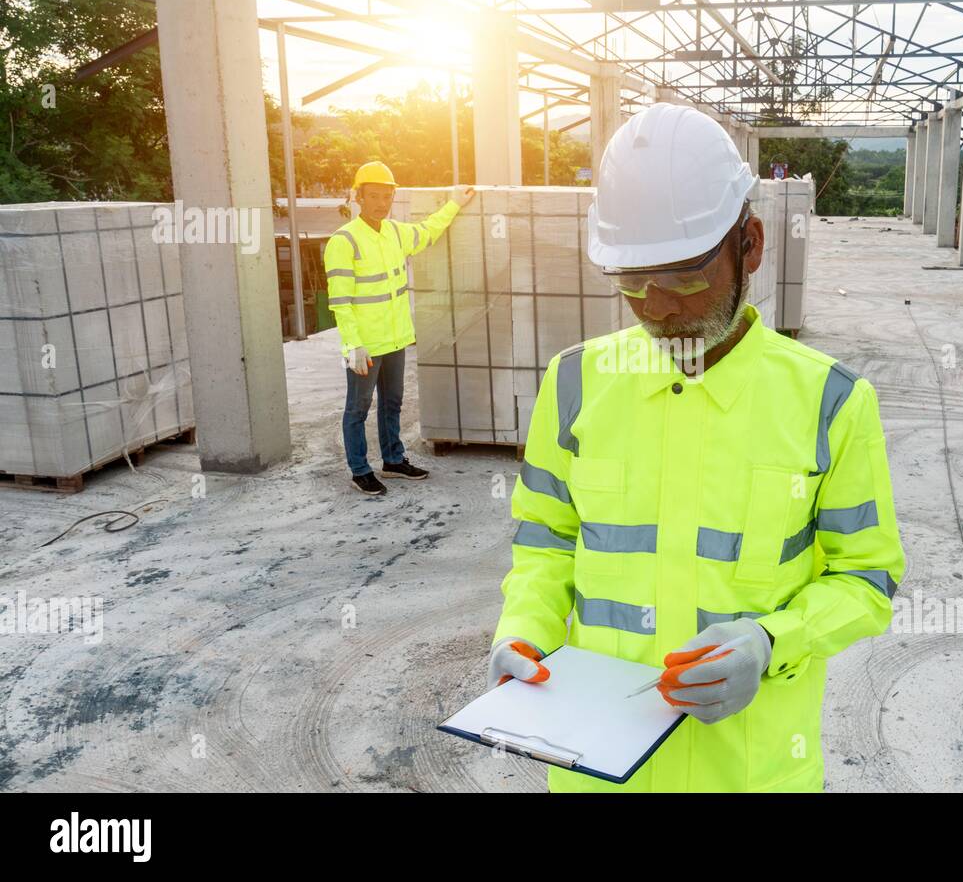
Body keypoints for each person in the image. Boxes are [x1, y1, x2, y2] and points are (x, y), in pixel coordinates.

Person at [486, 103, 906, 791]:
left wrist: (774, 642)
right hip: (597, 770)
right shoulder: (573, 384)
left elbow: (868, 580)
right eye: (631, 282)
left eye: (681, 277)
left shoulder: (830, 404)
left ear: (752, 245)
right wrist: (522, 632)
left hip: (747, 772)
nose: (655, 307)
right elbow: (546, 545)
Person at [323, 163, 474, 496]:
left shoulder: (394, 232)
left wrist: (455, 203)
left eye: (387, 196)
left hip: (395, 340)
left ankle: (393, 460)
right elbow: (340, 302)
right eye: (374, 196)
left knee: (392, 404)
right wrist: (353, 345)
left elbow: (428, 230)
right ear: (359, 196)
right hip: (366, 344)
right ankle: (360, 469)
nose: (381, 203)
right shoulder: (344, 241)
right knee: (357, 408)